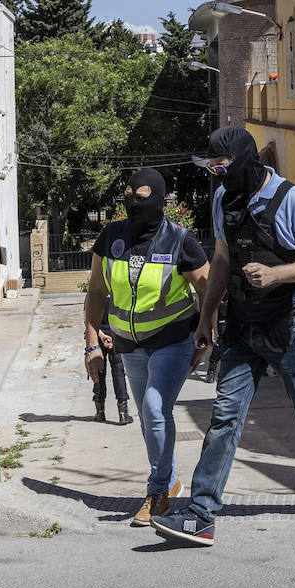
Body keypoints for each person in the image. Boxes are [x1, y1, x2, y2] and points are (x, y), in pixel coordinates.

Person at [152, 126, 295, 546]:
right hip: (242, 325)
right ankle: (201, 513)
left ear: (244, 162)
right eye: (212, 169)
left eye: (222, 168)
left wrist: (276, 274)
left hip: (292, 325)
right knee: (224, 415)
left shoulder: (291, 199)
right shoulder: (224, 199)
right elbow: (222, 260)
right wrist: (207, 315)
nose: (217, 176)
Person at [85, 168, 209, 527]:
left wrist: (207, 334)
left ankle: (157, 493)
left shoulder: (180, 240)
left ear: (158, 200)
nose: (132, 202)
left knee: (155, 408)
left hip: (173, 339)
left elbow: (208, 288)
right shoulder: (111, 236)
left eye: (140, 197)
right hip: (128, 345)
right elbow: (97, 290)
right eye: (127, 195)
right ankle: (169, 480)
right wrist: (91, 343)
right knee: (146, 416)